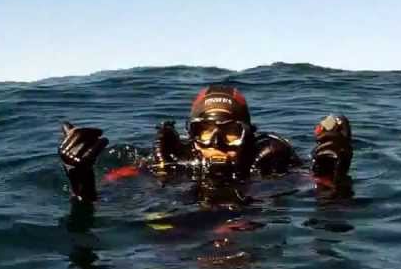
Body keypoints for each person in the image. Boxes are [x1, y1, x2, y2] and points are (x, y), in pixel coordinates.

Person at [58, 85, 354, 204]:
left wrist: (334, 174)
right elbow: (109, 194)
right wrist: (80, 180)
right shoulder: (170, 160)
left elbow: (319, 189)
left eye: (229, 133)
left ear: (248, 134)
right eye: (204, 132)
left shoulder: (271, 158)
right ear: (190, 134)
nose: (216, 145)